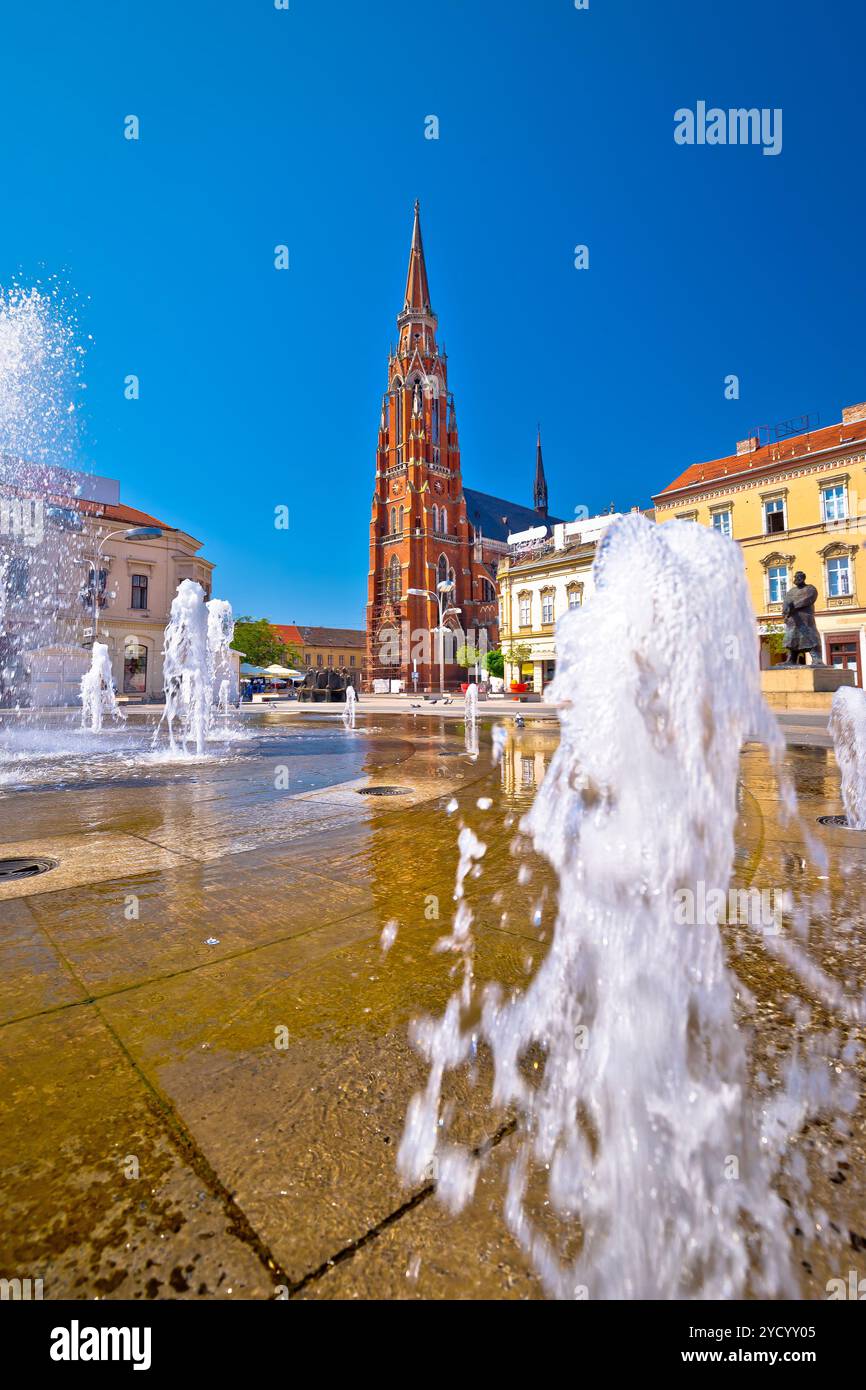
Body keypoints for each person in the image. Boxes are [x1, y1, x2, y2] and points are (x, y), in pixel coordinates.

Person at [781, 571, 824, 666]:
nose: (797, 579)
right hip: (793, 620)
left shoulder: (810, 588)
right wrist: (785, 613)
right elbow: (786, 602)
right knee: (792, 639)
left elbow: (808, 599)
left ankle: (817, 659)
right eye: (796, 577)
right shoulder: (791, 591)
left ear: (804, 578)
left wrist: (794, 606)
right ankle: (791, 659)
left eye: (799, 577)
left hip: (805, 618)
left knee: (811, 638)